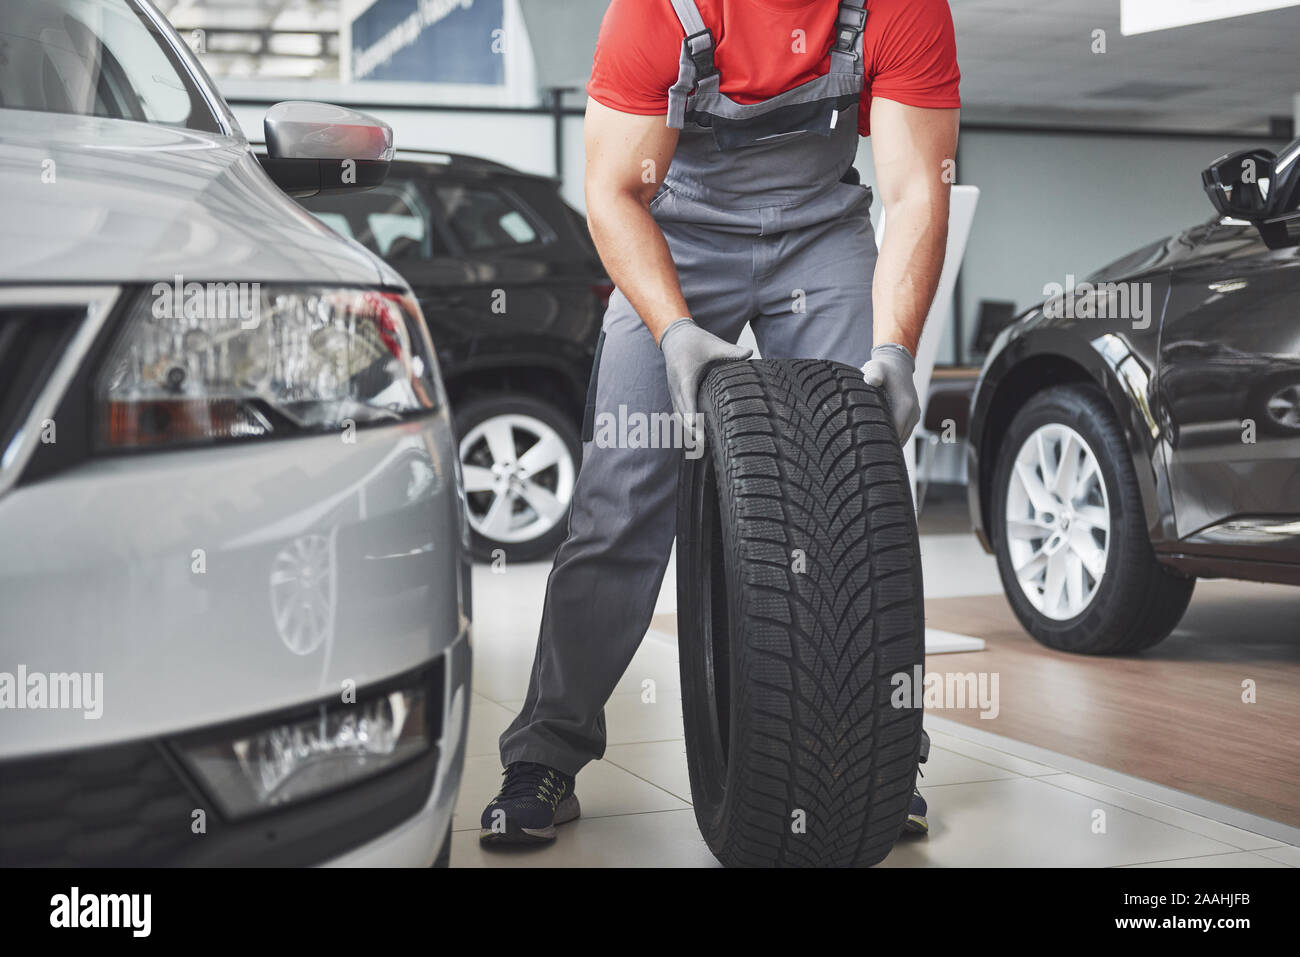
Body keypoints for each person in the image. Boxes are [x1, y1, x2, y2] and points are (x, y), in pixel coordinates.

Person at [480, 0, 960, 846]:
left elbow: (917, 186)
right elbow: (613, 191)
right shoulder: (658, 11)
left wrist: (895, 349)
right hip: (675, 236)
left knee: (860, 494)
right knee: (619, 501)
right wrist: (670, 330)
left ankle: (882, 752)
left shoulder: (902, 8)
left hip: (822, 237)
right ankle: (545, 753)